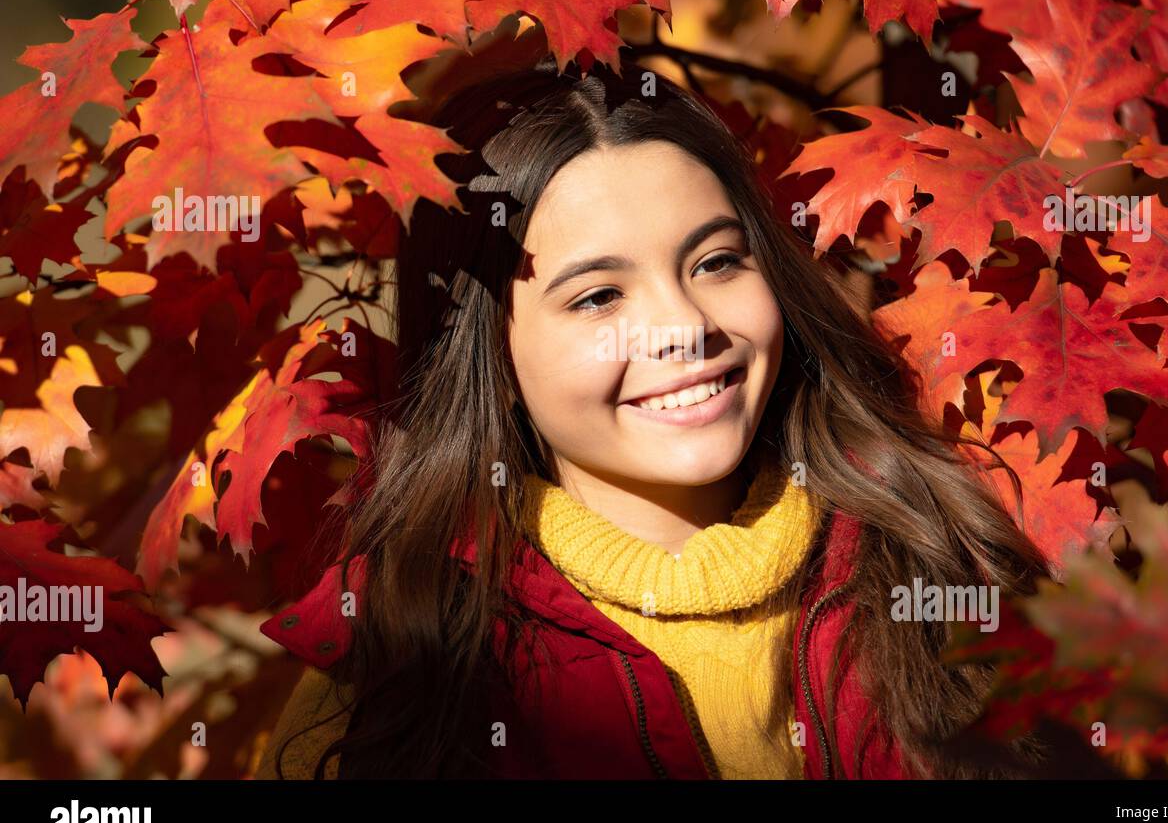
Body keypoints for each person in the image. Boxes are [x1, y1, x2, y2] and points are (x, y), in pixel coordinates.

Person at [254, 57, 1054, 780]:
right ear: (487, 357)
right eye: (599, 295)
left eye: (715, 262)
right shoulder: (404, 648)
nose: (685, 326)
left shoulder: (936, 562)